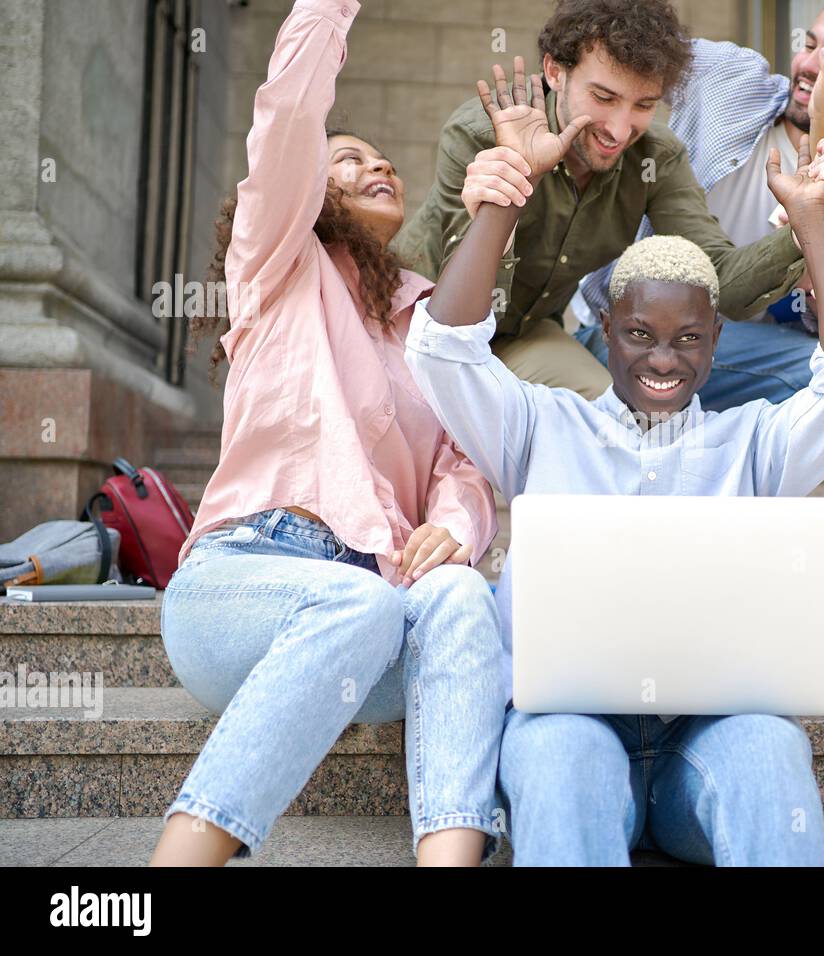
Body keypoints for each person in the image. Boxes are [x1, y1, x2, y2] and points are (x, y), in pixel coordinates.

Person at [401, 62, 824, 865]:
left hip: (711, 736)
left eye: (689, 339)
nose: (663, 358)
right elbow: (443, 351)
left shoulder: (754, 446)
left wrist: (812, 223)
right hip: (571, 726)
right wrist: (504, 199)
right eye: (639, 335)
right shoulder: (540, 426)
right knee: (560, 761)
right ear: (605, 322)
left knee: (770, 752)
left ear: (714, 342)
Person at [149, 0, 505, 868]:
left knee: (459, 596)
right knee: (360, 598)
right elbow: (291, 113)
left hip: (371, 616)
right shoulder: (277, 266)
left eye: (382, 157)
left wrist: (454, 530)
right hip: (242, 587)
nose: (377, 162)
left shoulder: (426, 322)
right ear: (312, 187)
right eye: (349, 160)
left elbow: (466, 461)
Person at [393, 0, 824, 401]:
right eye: (603, 97)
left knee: (608, 417)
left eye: (643, 105)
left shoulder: (654, 158)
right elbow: (464, 317)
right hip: (416, 327)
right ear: (555, 71)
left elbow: (724, 282)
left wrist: (806, 219)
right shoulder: (484, 132)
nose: (620, 130)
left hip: (526, 333)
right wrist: (512, 194)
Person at [576, 0, 824, 410]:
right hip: (617, 329)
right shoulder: (730, 76)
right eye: (810, 45)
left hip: (733, 356)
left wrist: (819, 272)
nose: (811, 65)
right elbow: (631, 46)